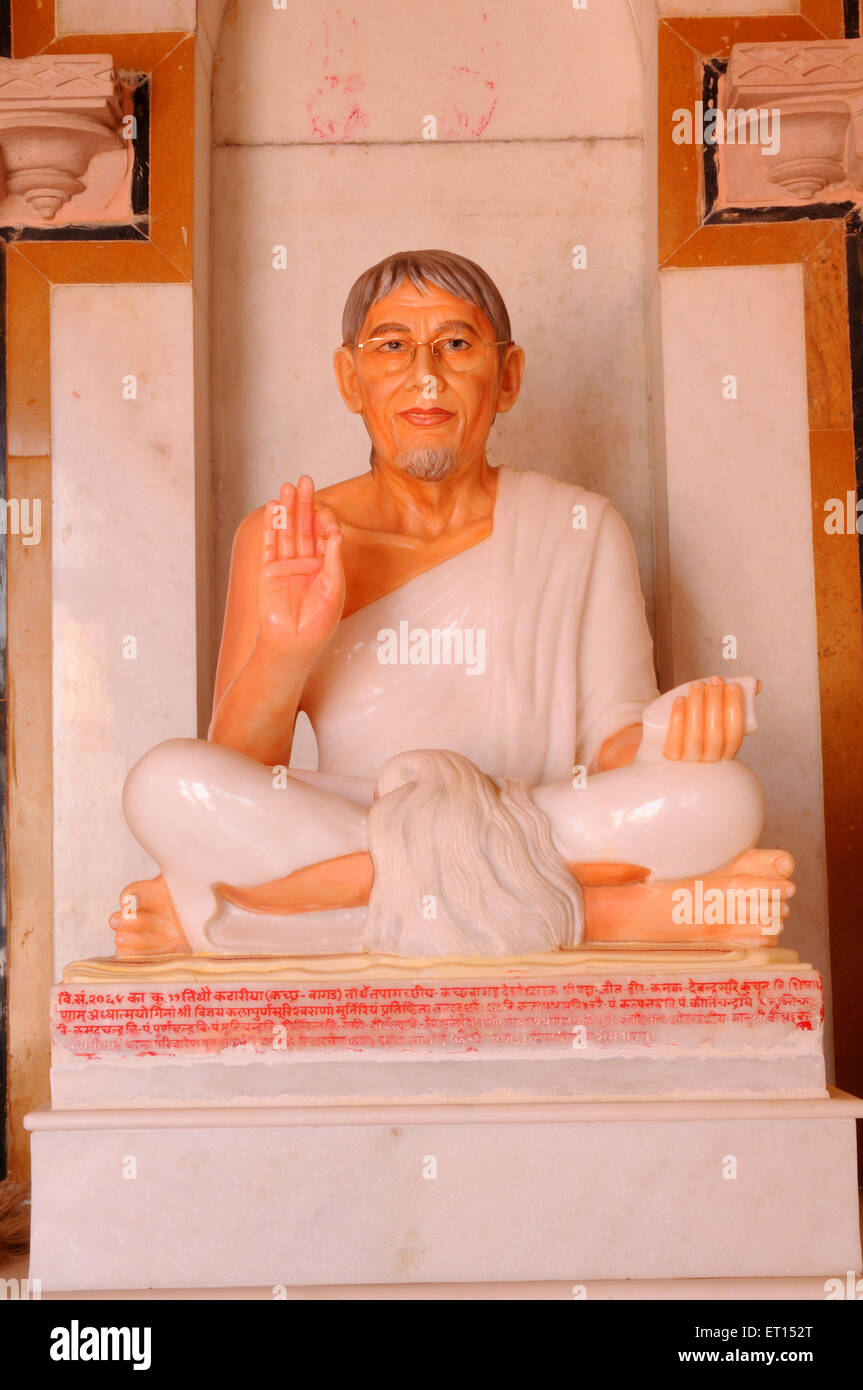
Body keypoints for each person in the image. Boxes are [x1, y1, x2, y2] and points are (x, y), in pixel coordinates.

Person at [110, 250, 794, 957]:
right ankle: (613, 913)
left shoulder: (577, 525)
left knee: (718, 796)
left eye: (457, 345)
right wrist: (286, 649)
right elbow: (237, 768)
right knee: (167, 784)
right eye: (392, 346)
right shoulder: (291, 538)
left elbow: (612, 741)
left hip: (537, 810)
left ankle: (267, 914)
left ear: (508, 377)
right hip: (369, 812)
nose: (425, 376)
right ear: (350, 378)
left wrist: (667, 733)